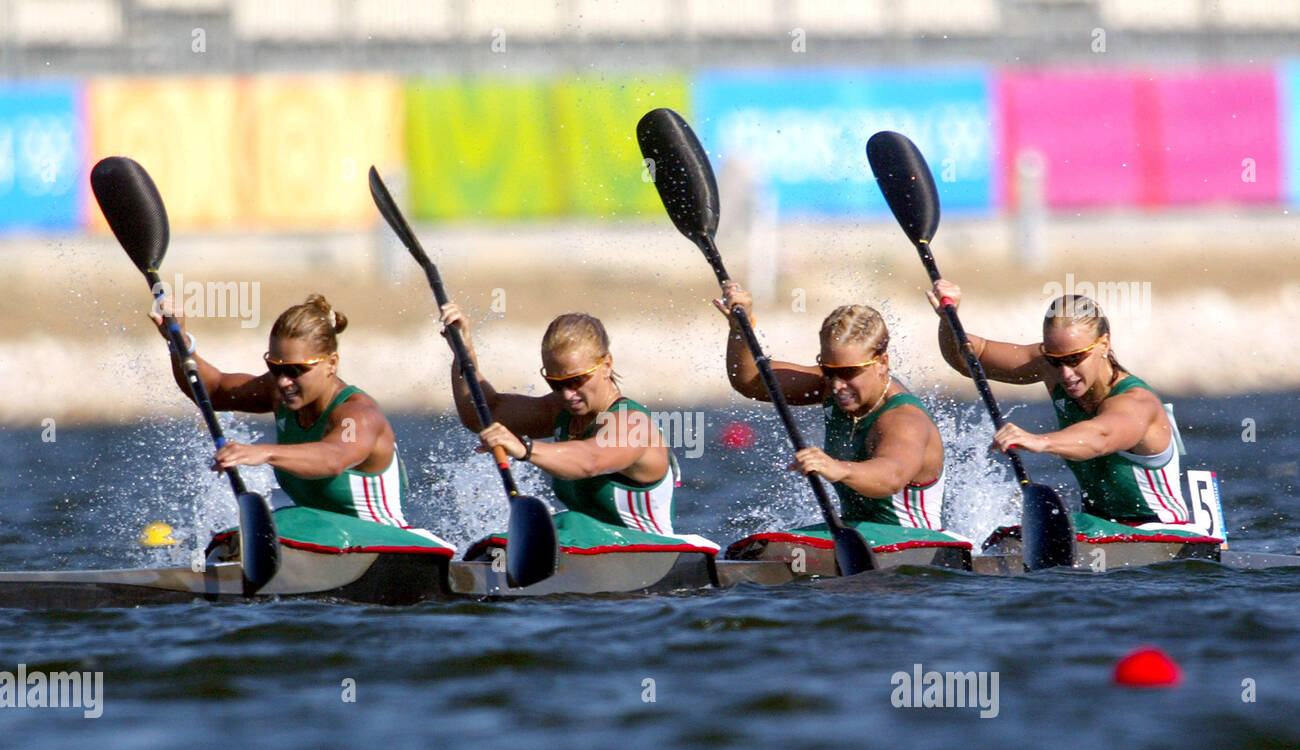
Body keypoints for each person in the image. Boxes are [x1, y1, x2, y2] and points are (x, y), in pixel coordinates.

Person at [928, 280, 1191, 526]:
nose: (1065, 373)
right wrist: (948, 319)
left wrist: (1039, 441)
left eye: (1075, 359)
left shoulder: (1137, 402)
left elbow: (1100, 437)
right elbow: (970, 358)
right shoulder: (1053, 367)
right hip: (1098, 527)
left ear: (1104, 343)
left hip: (1160, 532)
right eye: (1055, 359)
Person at [151, 293, 420, 529]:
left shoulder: (357, 416)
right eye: (275, 367)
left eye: (294, 370)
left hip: (386, 547)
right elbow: (213, 391)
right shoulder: (279, 392)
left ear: (331, 364)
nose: (282, 381)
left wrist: (265, 452)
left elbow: (335, 457)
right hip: (323, 540)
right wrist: (179, 341)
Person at [716, 282, 951, 531]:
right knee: (756, 550)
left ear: (882, 363)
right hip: (857, 536)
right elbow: (751, 382)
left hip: (913, 545)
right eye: (828, 371)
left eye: (849, 373)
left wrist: (837, 468)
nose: (837, 385)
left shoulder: (905, 419)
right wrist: (740, 328)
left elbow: (891, 477)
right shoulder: (832, 385)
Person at [441, 303, 683, 536]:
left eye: (576, 380)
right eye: (555, 383)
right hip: (591, 553)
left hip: (652, 559)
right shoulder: (560, 411)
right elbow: (482, 414)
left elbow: (590, 460)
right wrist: (464, 353)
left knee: (567, 522)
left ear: (606, 365)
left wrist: (525, 448)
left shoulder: (633, 424)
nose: (567, 394)